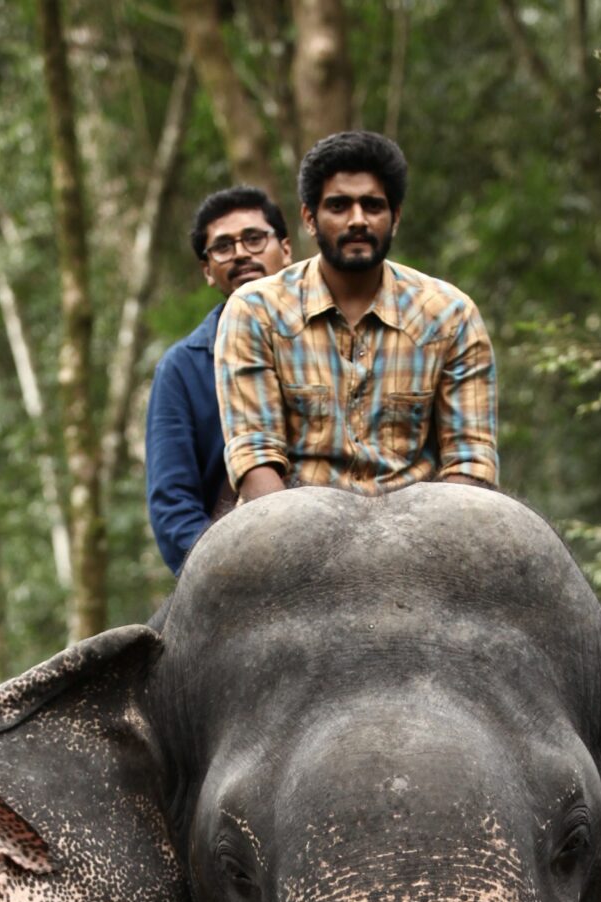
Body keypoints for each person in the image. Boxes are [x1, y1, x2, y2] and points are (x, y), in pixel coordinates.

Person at [214, 130, 498, 504]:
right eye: (339, 206)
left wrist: (432, 551)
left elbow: (471, 460)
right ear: (309, 218)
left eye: (373, 205)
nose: (358, 220)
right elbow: (255, 458)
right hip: (292, 525)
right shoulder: (255, 311)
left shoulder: (450, 316)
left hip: (421, 531)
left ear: (394, 217)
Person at [145, 185, 291, 573]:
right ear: (208, 270)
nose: (241, 252)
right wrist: (227, 571)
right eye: (223, 247)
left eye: (254, 239)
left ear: (287, 250)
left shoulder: (332, 340)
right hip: (240, 567)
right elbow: (172, 506)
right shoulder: (181, 368)